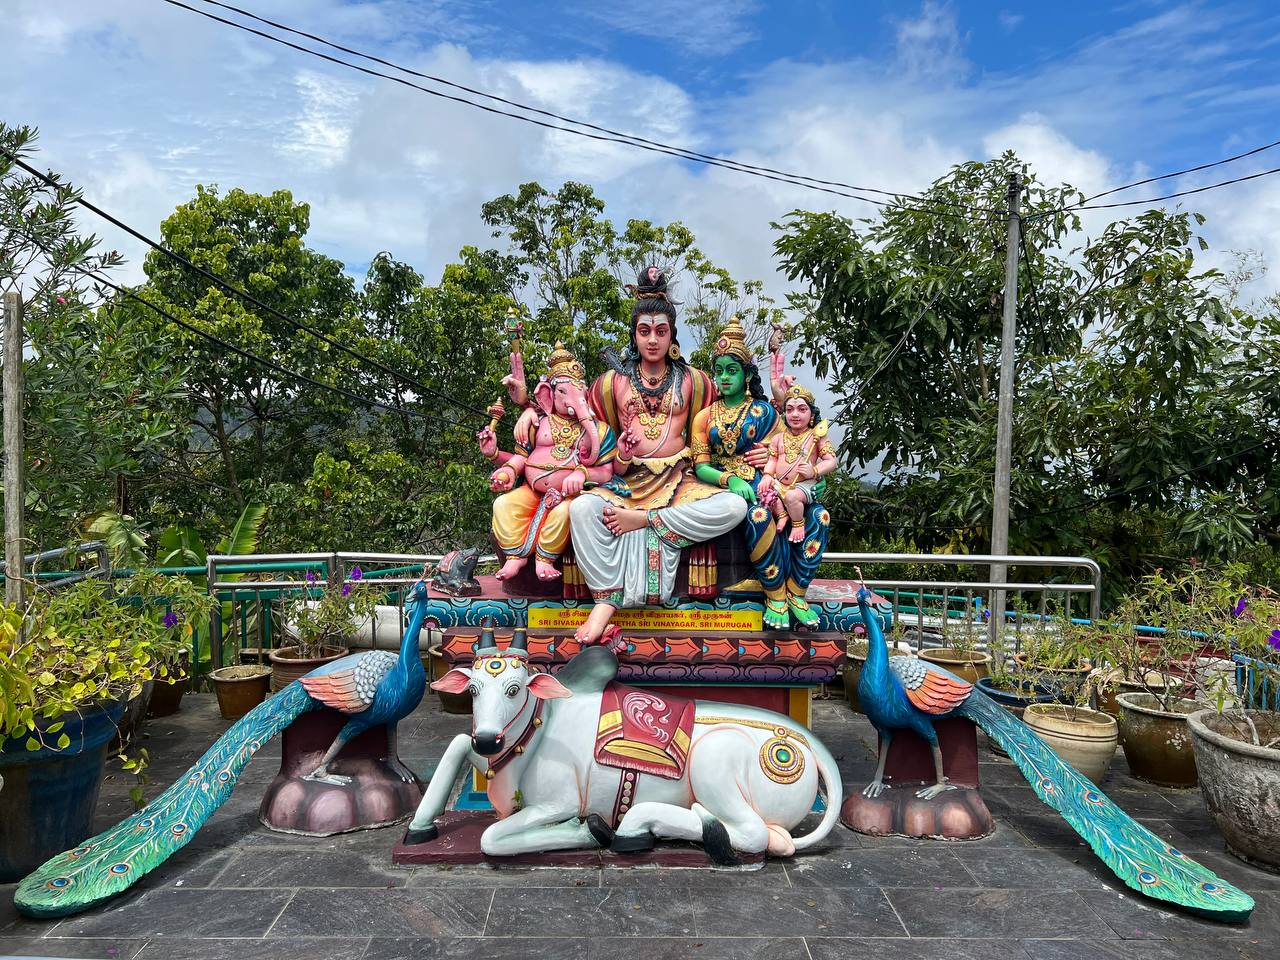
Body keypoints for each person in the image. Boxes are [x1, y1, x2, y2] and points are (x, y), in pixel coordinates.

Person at [563, 267, 751, 643]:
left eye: (660, 331)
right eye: (644, 331)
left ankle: (645, 520)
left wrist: (772, 430)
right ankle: (606, 600)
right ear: (634, 334)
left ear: (672, 334)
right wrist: (621, 451)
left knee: (734, 507)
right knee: (580, 510)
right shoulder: (610, 384)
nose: (652, 340)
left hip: (680, 480)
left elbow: (734, 410)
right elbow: (588, 439)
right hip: (626, 480)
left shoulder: (695, 381)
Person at [689, 319, 832, 630]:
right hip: (724, 486)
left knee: (818, 516)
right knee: (759, 516)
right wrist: (731, 479)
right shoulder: (704, 416)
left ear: (747, 374)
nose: (724, 378)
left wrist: (778, 459)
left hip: (769, 480)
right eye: (720, 370)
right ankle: (775, 594)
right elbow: (700, 466)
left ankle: (797, 591)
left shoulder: (765, 412)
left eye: (732, 370)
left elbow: (790, 448)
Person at [477, 342, 616, 581]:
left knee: (565, 512)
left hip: (569, 495)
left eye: (579, 391)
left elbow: (606, 471)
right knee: (503, 505)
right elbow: (522, 458)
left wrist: (582, 474)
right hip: (533, 490)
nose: (574, 398)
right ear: (548, 395)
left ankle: (544, 559)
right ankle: (514, 556)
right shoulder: (537, 423)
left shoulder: (599, 431)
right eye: (563, 392)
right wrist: (498, 461)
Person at [759, 385, 837, 543]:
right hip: (780, 483)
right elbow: (773, 460)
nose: (794, 414)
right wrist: (767, 475)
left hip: (803, 485)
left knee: (792, 497)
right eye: (789, 410)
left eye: (802, 409)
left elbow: (831, 461)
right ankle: (782, 515)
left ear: (812, 414)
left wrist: (814, 471)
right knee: (763, 491)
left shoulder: (816, 437)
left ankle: (797, 524)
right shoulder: (778, 438)